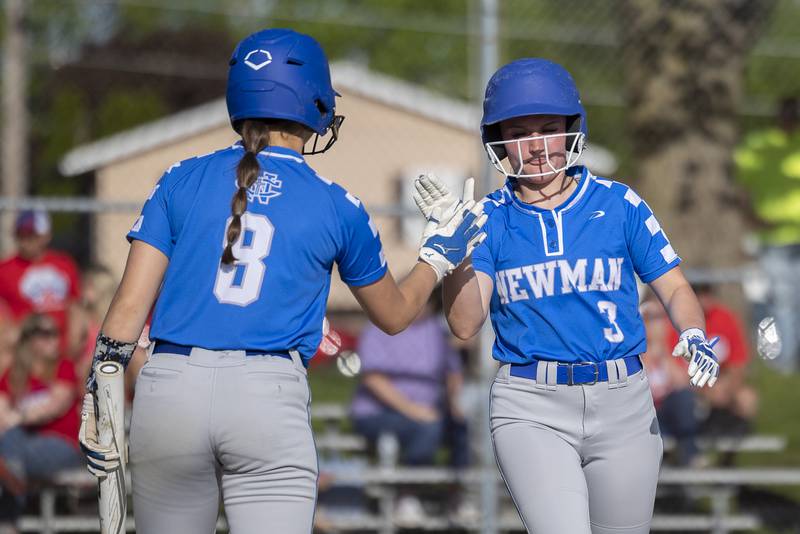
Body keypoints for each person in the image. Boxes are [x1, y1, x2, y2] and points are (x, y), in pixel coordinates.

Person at [77, 28, 486, 534]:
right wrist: (437, 257)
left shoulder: (181, 177)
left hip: (170, 387)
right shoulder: (337, 203)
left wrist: (98, 395)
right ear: (313, 101)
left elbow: (126, 311)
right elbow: (397, 314)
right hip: (266, 394)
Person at [413, 58, 720, 534]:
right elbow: (465, 323)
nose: (535, 146)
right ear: (498, 141)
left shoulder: (618, 203)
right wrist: (458, 253)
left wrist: (694, 332)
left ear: (571, 128)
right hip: (530, 402)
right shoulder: (488, 217)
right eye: (519, 133)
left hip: (623, 398)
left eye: (548, 129)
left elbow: (676, 286)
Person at [350, 295, 468, 523]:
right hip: (378, 412)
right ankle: (407, 495)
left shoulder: (435, 331)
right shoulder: (379, 328)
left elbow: (453, 372)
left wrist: (453, 403)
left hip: (429, 412)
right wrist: (413, 410)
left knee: (461, 427)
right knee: (427, 427)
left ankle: (457, 496)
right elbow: (373, 379)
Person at [0, 314, 83, 529]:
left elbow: (55, 406)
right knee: (12, 443)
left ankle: (9, 518)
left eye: (57, 333)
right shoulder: (14, 375)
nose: (55, 339)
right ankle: (11, 504)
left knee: (10, 451)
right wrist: (15, 419)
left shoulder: (63, 367)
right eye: (46, 334)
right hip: (20, 448)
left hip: (62, 445)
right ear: (29, 339)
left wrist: (17, 417)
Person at [667, 283, 758, 438]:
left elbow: (738, 362)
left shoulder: (726, 317)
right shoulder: (681, 321)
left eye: (707, 293)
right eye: (699, 294)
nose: (704, 299)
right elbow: (675, 366)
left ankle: (734, 438)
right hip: (693, 384)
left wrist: (728, 385)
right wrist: (706, 388)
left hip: (722, 381)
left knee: (747, 397)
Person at [0, 210, 81, 354]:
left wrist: (74, 340)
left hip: (62, 346)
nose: (25, 240)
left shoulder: (64, 264)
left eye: (31, 235)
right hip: (24, 347)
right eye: (21, 235)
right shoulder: (5, 269)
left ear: (46, 236)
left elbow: (75, 305)